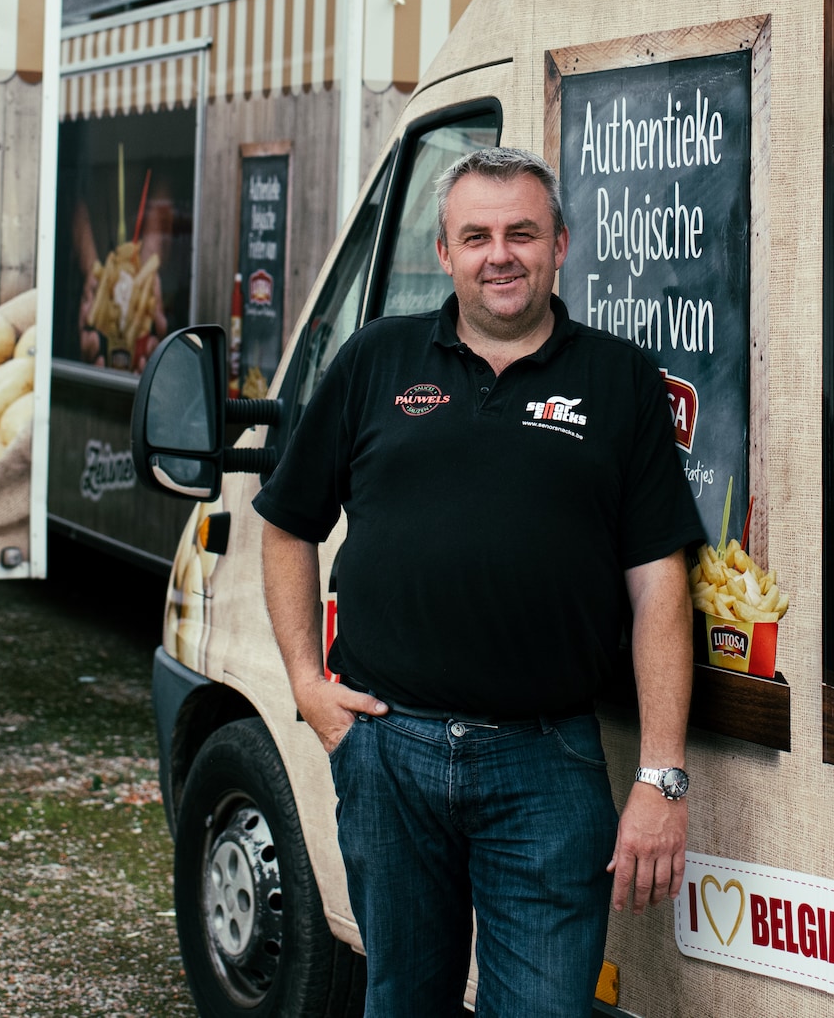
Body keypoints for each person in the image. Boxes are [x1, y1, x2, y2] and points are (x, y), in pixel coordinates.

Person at [254, 144, 705, 1016]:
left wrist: (663, 774)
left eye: (522, 233)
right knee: (402, 1001)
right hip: (389, 751)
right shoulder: (374, 361)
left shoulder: (619, 382)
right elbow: (286, 526)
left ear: (561, 245)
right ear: (445, 254)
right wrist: (308, 684)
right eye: (477, 235)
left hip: (547, 762)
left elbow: (659, 586)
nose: (500, 253)